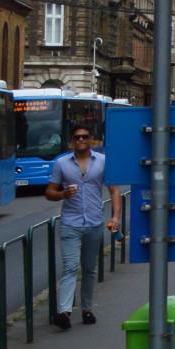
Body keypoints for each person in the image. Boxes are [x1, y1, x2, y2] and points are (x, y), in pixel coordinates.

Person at [43, 124, 120, 330]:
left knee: (89, 268)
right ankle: (64, 312)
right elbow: (49, 192)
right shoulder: (61, 164)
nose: (81, 140)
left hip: (94, 222)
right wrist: (63, 194)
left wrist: (115, 217)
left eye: (84, 136)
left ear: (91, 139)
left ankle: (86, 309)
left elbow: (114, 190)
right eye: (77, 137)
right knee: (70, 267)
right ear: (72, 141)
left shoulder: (103, 161)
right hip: (71, 223)